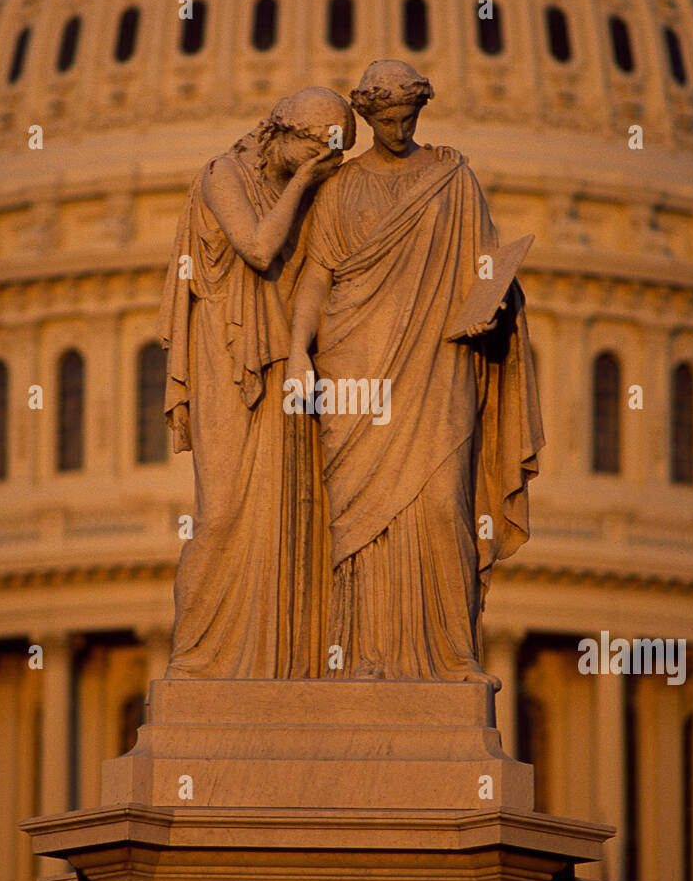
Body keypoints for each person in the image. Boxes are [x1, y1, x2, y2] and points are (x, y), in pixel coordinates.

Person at [288, 61, 543, 700]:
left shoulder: (452, 179)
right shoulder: (341, 190)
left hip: (439, 366)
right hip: (356, 371)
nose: (400, 129)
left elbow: (486, 263)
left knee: (440, 506)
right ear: (367, 118)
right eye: (388, 120)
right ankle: (364, 656)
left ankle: (449, 656)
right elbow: (317, 275)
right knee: (360, 525)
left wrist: (499, 302)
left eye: (409, 117)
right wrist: (297, 351)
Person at [158, 88, 355, 680]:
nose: (328, 163)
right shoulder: (224, 174)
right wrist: (305, 184)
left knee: (290, 517)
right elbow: (259, 247)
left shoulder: (320, 189)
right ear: (283, 134)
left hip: (288, 365)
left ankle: (280, 664)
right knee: (221, 516)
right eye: (319, 149)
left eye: (336, 153)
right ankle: (197, 663)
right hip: (228, 354)